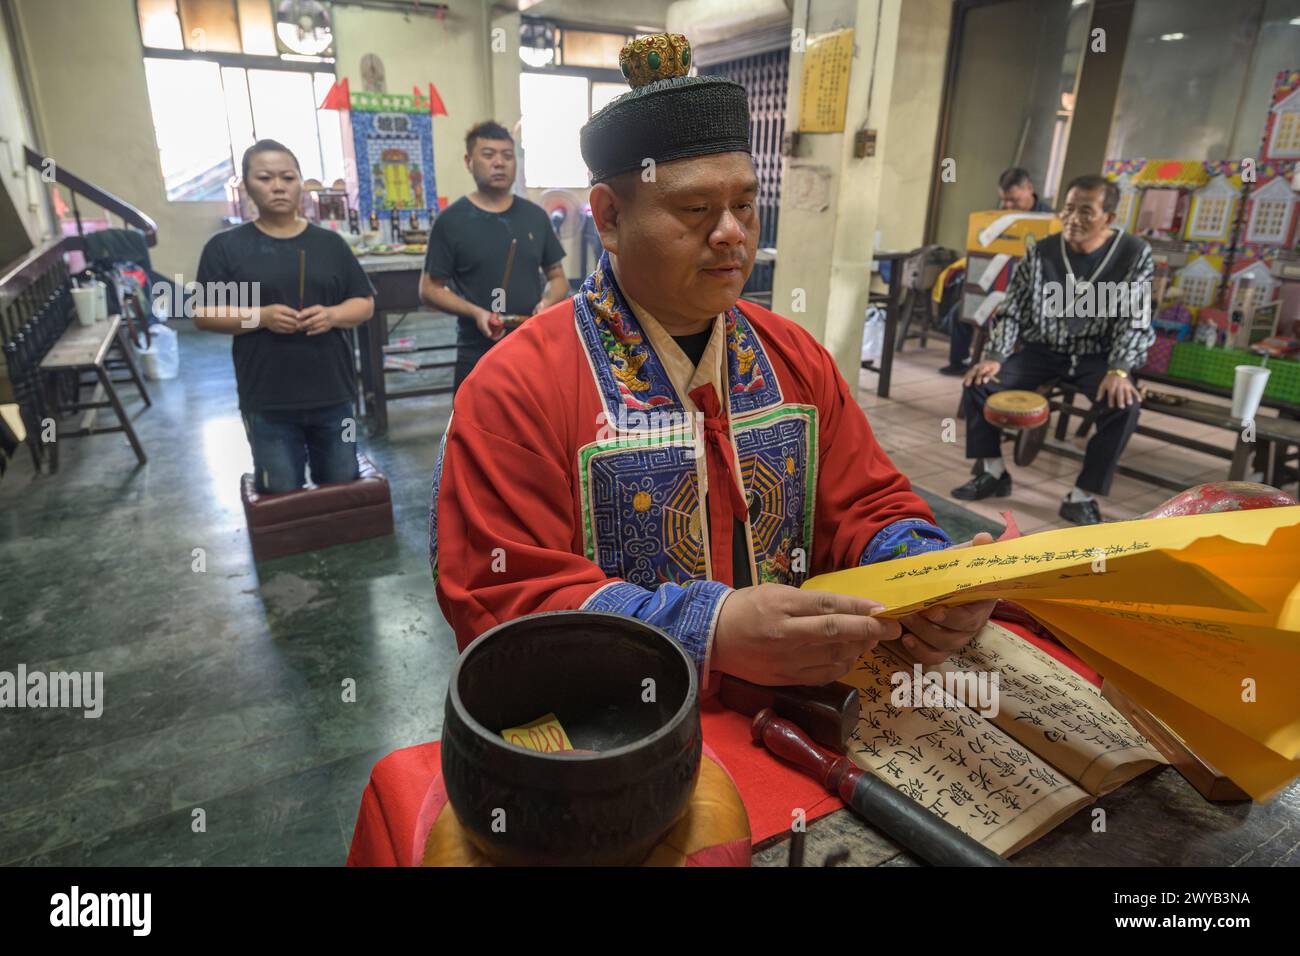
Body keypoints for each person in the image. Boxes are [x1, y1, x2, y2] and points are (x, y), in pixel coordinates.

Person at [430, 34, 997, 687]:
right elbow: (505, 595)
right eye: (696, 208)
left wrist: (929, 576)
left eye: (746, 205)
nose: (731, 232)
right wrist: (709, 633)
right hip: (631, 737)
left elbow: (866, 502)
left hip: (804, 704)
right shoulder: (516, 386)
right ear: (610, 218)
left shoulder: (793, 358)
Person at [952, 174, 1155, 525]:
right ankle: (994, 471)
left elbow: (1136, 317)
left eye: (1086, 212)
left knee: (1124, 405)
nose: (1074, 219)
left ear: (1109, 218)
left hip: (1099, 355)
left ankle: (1082, 494)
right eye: (1069, 209)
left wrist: (1120, 368)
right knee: (978, 383)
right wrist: (996, 356)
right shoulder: (1042, 251)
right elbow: (1013, 308)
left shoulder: (1132, 254)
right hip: (1042, 350)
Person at [195, 139, 375, 493]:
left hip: (333, 393)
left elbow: (364, 303)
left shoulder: (329, 244)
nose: (277, 186)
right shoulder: (226, 247)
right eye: (265, 178)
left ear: (300, 184)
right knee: (280, 491)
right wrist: (260, 317)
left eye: (288, 178)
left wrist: (333, 315)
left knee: (341, 487)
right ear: (247, 184)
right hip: (266, 397)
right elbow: (204, 314)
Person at [419, 120, 568, 391]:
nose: (499, 163)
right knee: (472, 427)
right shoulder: (451, 221)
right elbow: (430, 289)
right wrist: (476, 313)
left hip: (531, 345)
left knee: (534, 426)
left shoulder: (535, 216)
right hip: (476, 350)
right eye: (488, 155)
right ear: (469, 161)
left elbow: (557, 277)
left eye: (507, 156)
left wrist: (546, 303)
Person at [939, 167, 1052, 376]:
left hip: (1028, 295)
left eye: (1014, 200)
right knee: (959, 311)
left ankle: (1012, 367)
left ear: (1029, 189)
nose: (1008, 206)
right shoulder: (999, 218)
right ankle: (959, 360)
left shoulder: (1049, 220)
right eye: (1004, 200)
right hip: (996, 283)